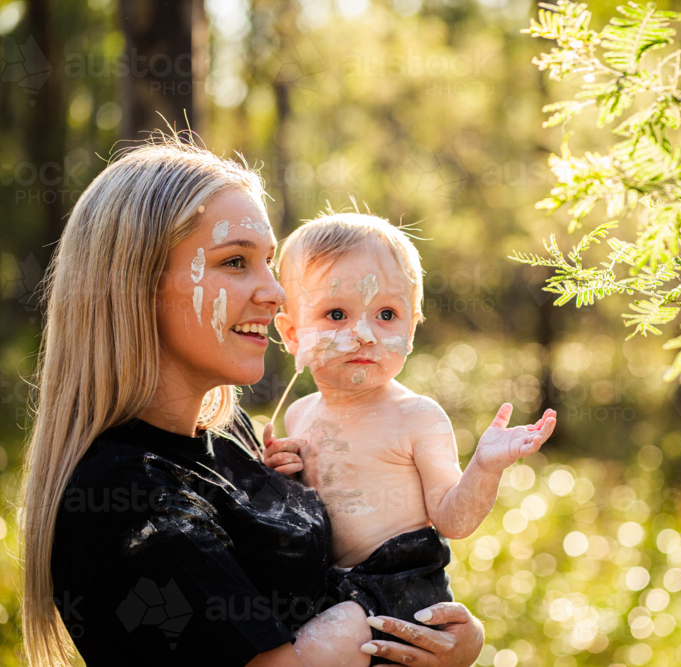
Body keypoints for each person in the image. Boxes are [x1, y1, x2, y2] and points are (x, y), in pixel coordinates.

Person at [18, 138, 485, 667]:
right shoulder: (131, 500)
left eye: (268, 263)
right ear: (138, 285)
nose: (277, 294)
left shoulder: (227, 431)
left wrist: (440, 634)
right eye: (235, 261)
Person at [260, 214, 556, 660]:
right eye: (336, 314)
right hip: (329, 587)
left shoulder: (415, 416)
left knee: (307, 654)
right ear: (291, 333)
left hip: (398, 587)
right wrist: (281, 476)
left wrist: (485, 466)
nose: (363, 335)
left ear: (412, 329)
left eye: (386, 314)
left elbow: (453, 521)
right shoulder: (299, 414)